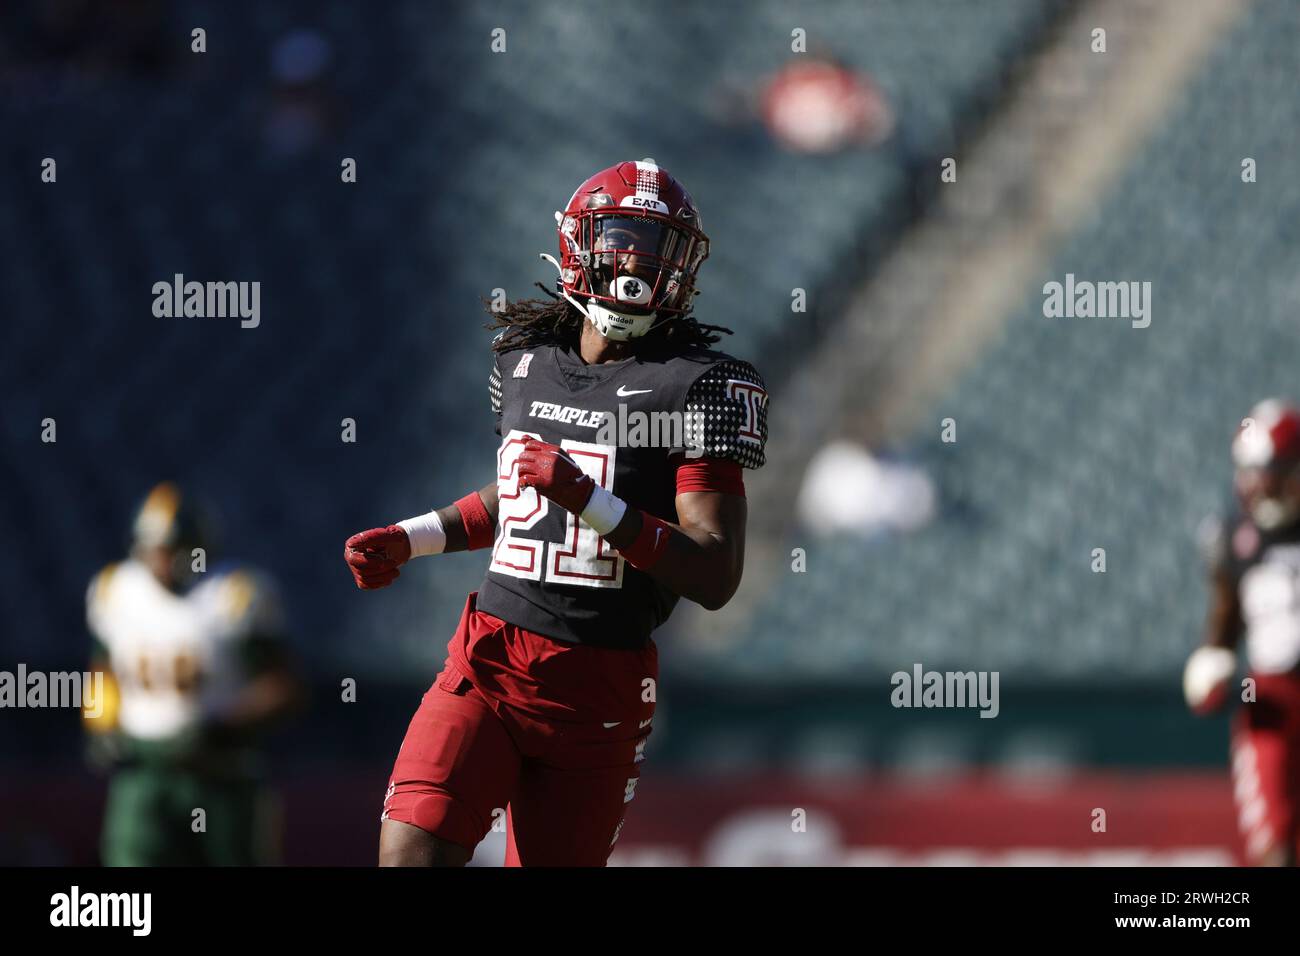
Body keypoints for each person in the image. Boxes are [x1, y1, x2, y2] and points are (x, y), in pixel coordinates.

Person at [345, 160, 769, 866]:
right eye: (626, 238)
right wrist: (412, 539)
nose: (641, 263)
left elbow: (715, 571)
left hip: (596, 689)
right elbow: (516, 498)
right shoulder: (524, 359)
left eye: (660, 246)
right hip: (489, 656)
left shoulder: (701, 386)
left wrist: (590, 501)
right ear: (579, 245)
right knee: (410, 853)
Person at [85, 481, 303, 865]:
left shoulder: (234, 594)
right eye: (154, 550)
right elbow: (104, 669)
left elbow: (283, 687)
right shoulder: (115, 590)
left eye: (174, 549)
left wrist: (225, 726)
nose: (163, 560)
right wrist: (101, 725)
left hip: (220, 774)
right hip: (144, 772)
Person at [1185, 399, 1300, 865]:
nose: (1256, 483)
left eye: (1267, 470)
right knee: (1273, 842)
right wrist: (1211, 661)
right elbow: (1226, 616)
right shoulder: (1233, 538)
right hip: (1267, 698)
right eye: (1250, 471)